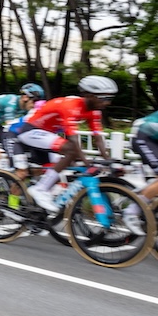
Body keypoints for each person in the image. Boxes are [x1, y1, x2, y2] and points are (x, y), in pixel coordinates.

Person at [11, 76, 139, 231]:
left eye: (110, 98)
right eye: (104, 98)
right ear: (89, 95)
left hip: (49, 135)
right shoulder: (70, 105)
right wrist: (87, 163)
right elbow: (73, 141)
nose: (108, 102)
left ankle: (42, 203)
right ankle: (40, 189)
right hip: (31, 131)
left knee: (69, 164)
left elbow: (98, 138)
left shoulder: (95, 111)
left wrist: (108, 160)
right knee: (72, 151)